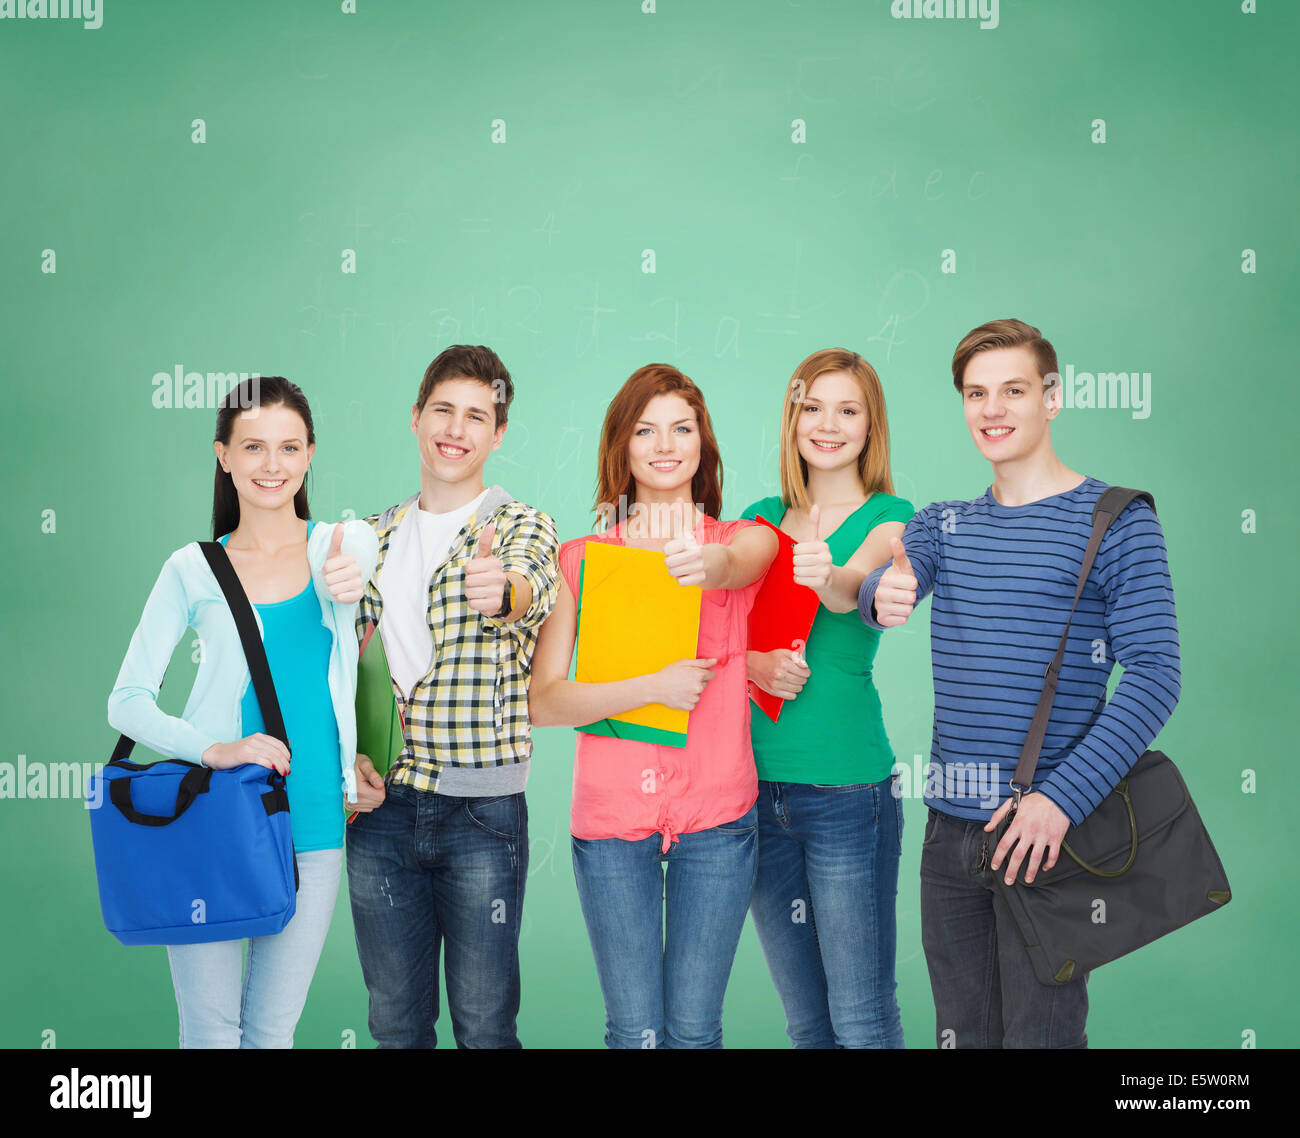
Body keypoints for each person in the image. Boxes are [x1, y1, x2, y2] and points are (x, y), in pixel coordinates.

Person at [858, 318, 1181, 1048]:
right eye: (976, 393)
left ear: (1052, 397)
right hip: (949, 836)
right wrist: (883, 591)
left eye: (1013, 390)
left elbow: (1156, 675)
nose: (992, 409)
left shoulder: (1117, 521)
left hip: (1047, 839)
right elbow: (888, 579)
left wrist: (1060, 802)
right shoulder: (946, 524)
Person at [106, 376, 380, 1048]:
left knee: (270, 1032)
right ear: (223, 455)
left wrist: (355, 575)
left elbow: (363, 552)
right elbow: (126, 701)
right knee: (210, 1030)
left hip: (314, 821)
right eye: (253, 446)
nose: (272, 465)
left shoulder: (338, 549)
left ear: (310, 454)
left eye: (289, 447)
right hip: (214, 818)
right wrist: (214, 749)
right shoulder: (191, 569)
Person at [528, 363, 779, 1049]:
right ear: (622, 446)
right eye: (646, 429)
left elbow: (754, 557)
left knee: (695, 1031)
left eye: (682, 427)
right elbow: (544, 702)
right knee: (635, 1030)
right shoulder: (578, 561)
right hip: (612, 819)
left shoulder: (740, 543)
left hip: (719, 814)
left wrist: (712, 565)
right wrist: (653, 687)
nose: (666, 444)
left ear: (703, 442)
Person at [345, 344, 560, 1049]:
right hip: (380, 815)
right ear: (415, 417)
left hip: (481, 815)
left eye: (477, 416)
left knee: (486, 1026)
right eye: (443, 410)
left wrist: (503, 591)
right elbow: (341, 670)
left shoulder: (520, 525)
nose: (456, 428)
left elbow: (532, 588)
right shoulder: (369, 538)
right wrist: (349, 764)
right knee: (396, 1025)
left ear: (497, 435)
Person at [741, 348, 914, 1048]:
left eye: (848, 410)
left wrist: (827, 574)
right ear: (792, 417)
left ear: (871, 427)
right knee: (807, 1023)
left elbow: (856, 592)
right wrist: (754, 663)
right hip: (754, 791)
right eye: (812, 407)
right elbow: (717, 645)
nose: (828, 424)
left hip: (848, 792)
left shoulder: (893, 518)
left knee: (862, 1018)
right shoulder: (756, 518)